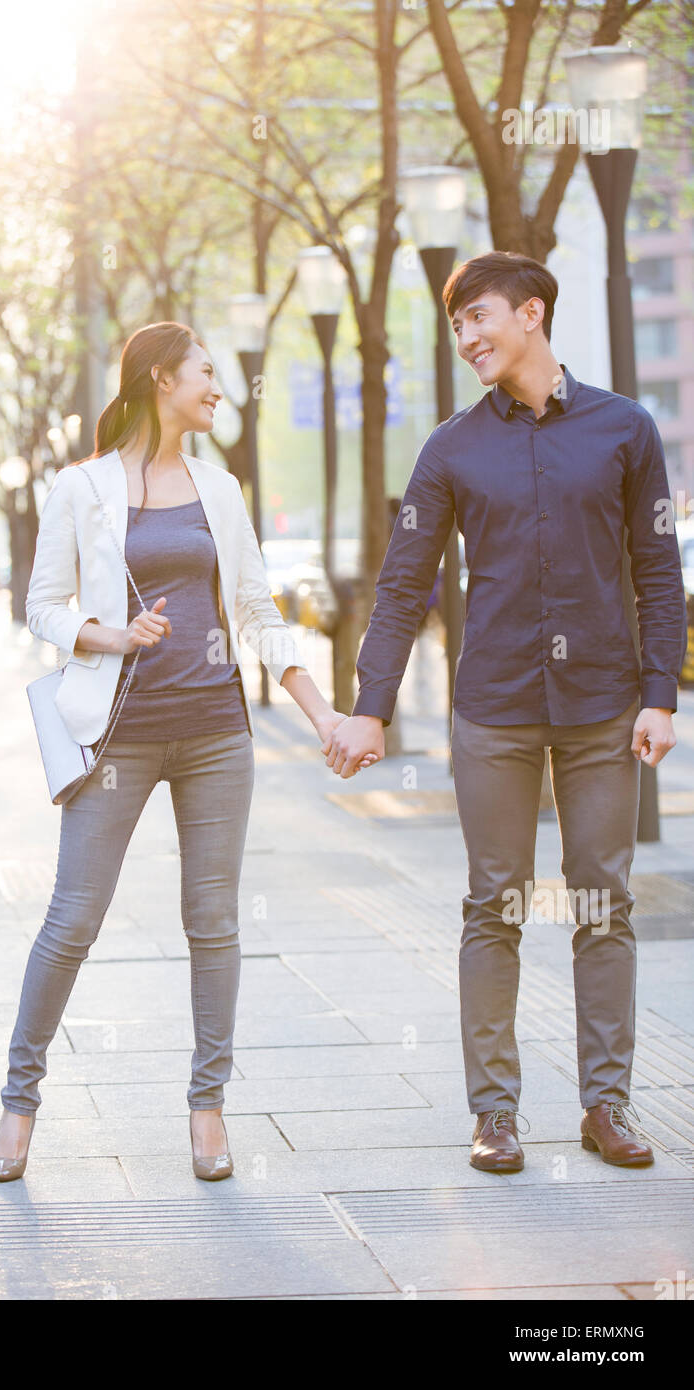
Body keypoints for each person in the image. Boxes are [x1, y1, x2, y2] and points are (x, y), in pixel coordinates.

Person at [324, 252, 688, 1174]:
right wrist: (372, 708)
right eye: (455, 327)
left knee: (603, 905)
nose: (468, 338)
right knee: (495, 905)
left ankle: (606, 1107)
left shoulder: (625, 430)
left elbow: (657, 571)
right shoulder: (450, 447)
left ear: (532, 313)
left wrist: (658, 693)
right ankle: (495, 1114)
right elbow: (405, 587)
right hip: (492, 708)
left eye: (479, 317)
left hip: (604, 706)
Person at [0, 321, 374, 1184]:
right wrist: (110, 633)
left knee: (214, 922)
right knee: (73, 918)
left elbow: (257, 610)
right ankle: (20, 1101)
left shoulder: (218, 487)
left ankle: (208, 1106)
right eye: (206, 373)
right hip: (115, 733)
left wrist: (321, 715)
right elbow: (42, 605)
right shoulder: (81, 487)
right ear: (162, 378)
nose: (218, 390)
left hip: (213, 734)